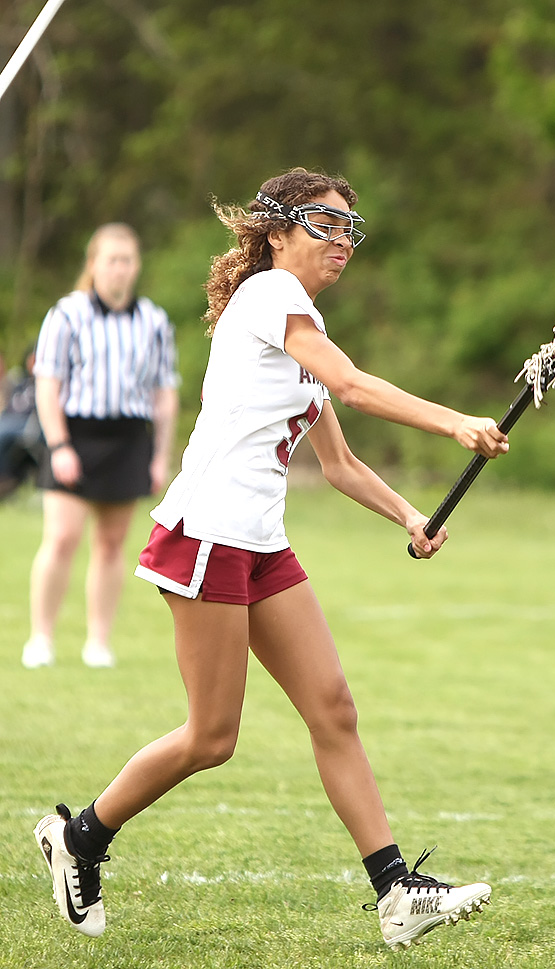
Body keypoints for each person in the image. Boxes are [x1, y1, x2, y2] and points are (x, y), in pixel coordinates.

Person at [32, 168, 509, 950]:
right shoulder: (270, 298)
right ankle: (79, 837)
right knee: (211, 737)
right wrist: (456, 423)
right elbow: (353, 387)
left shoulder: (303, 333)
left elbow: (341, 463)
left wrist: (413, 515)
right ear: (278, 231)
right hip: (207, 535)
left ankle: (395, 891)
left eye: (351, 228)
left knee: (334, 707)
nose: (341, 240)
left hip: (260, 543)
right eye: (324, 223)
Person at [21, 224, 180, 669]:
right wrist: (60, 446)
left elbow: (164, 394)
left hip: (128, 437)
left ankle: (98, 642)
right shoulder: (66, 315)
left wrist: (160, 456)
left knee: (112, 544)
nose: (119, 269)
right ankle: (41, 638)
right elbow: (47, 385)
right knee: (62, 537)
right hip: (76, 433)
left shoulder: (154, 320)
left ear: (136, 267)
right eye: (111, 259)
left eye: (127, 260)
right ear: (93, 264)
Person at [0, 345, 44, 500]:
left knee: (2, 434)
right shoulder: (21, 382)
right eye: (31, 360)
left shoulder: (44, 385)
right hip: (9, 423)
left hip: (29, 426)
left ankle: (5, 480)